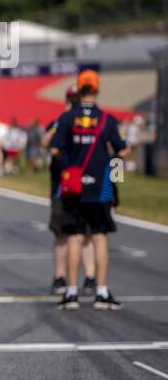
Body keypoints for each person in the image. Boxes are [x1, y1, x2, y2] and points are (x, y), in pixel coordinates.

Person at [51, 70, 125, 310]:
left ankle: (71, 293)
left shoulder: (66, 118)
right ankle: (101, 292)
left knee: (74, 236)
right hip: (100, 187)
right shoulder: (107, 120)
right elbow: (121, 151)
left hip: (74, 186)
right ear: (97, 89)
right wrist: (114, 176)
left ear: (80, 89)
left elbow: (55, 150)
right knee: (100, 236)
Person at [47, 86, 95, 294]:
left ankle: (91, 278)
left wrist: (113, 187)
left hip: (89, 185)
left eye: (77, 99)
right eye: (71, 99)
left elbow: (115, 153)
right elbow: (48, 144)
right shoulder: (62, 121)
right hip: (63, 185)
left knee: (89, 233)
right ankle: (61, 277)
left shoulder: (96, 122)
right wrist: (61, 123)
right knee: (63, 232)